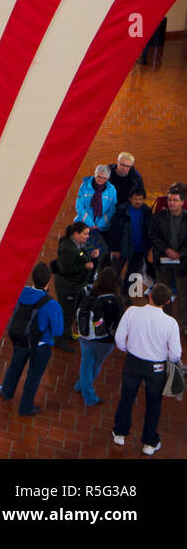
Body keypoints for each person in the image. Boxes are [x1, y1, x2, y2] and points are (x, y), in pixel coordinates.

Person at [112, 282, 182, 455]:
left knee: (126, 398)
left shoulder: (132, 312)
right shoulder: (171, 323)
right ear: (167, 302)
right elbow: (175, 355)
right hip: (156, 368)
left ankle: (120, 432)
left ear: (149, 296)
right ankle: (149, 443)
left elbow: (120, 339)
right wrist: (163, 356)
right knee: (153, 404)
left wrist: (131, 350)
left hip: (133, 362)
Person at [0, 263, 64, 416]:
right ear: (48, 282)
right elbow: (58, 330)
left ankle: (6, 391)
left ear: (33, 278)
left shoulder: (20, 292)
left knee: (15, 365)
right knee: (33, 376)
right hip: (41, 346)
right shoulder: (52, 305)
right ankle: (25, 407)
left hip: (21, 339)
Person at [75, 267, 123, 406]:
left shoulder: (87, 292)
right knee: (95, 365)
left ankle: (81, 385)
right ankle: (89, 397)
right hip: (105, 341)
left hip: (85, 335)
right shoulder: (116, 302)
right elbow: (119, 323)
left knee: (86, 364)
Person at [148, 182, 187, 322]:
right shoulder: (158, 217)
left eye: (175, 200)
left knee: (184, 294)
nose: (171, 203)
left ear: (182, 202)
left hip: (183, 262)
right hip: (163, 260)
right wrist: (167, 249)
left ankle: (185, 324)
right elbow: (152, 235)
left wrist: (180, 253)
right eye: (170, 199)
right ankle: (164, 321)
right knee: (162, 293)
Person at [54, 222, 94, 349]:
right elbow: (65, 268)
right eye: (85, 234)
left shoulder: (76, 244)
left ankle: (67, 333)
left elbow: (80, 255)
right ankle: (60, 340)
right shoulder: (68, 248)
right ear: (76, 233)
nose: (88, 236)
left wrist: (90, 257)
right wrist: (85, 266)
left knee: (70, 312)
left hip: (74, 285)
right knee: (66, 313)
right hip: (67, 286)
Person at [110, 186, 153, 293]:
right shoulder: (121, 211)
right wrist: (114, 248)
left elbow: (150, 231)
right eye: (135, 199)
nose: (138, 201)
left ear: (143, 199)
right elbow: (114, 230)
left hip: (139, 249)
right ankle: (110, 295)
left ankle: (126, 296)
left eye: (140, 199)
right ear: (130, 198)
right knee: (113, 273)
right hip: (122, 248)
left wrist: (148, 249)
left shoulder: (147, 212)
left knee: (132, 275)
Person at [75, 164, 117, 246]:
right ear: (95, 174)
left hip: (101, 228)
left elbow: (112, 209)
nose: (100, 180)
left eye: (104, 178)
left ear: (108, 178)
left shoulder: (112, 190)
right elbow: (79, 206)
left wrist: (99, 224)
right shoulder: (84, 186)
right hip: (83, 225)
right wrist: (91, 224)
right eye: (98, 176)